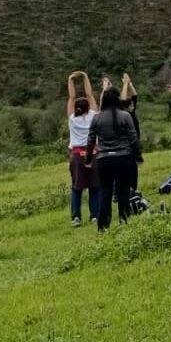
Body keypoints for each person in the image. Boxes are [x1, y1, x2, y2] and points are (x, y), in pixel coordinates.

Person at [85, 85, 143, 231]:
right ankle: (124, 222)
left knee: (105, 193)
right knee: (123, 192)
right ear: (118, 99)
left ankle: (103, 227)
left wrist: (88, 160)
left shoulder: (97, 117)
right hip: (124, 158)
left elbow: (91, 140)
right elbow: (133, 138)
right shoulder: (125, 116)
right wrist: (138, 156)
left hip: (104, 159)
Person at [65, 71, 100, 226]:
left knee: (77, 187)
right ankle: (94, 215)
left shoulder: (72, 119)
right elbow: (90, 95)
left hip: (77, 156)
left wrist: (70, 79)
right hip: (94, 154)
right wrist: (85, 76)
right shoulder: (94, 116)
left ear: (76, 108)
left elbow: (72, 97)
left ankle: (76, 217)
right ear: (88, 107)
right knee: (95, 186)